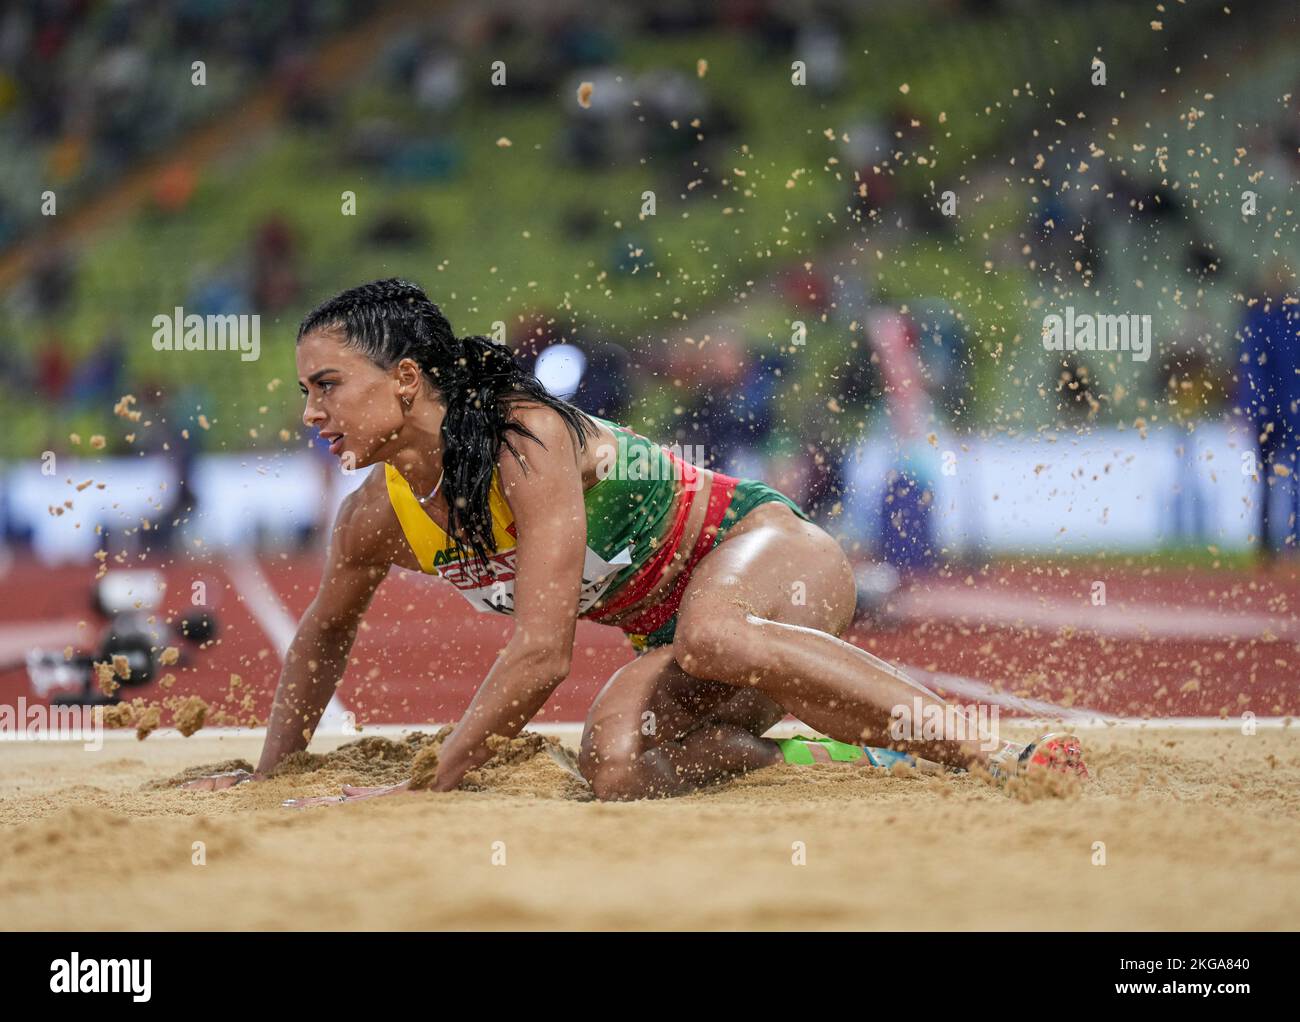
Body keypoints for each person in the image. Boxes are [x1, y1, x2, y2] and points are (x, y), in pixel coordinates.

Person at [183, 279, 1086, 803]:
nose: (311, 413)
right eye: (307, 392)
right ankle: (837, 747)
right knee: (615, 767)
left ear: (407, 380)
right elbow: (323, 636)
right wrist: (272, 772)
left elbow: (541, 654)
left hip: (776, 560)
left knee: (713, 633)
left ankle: (981, 747)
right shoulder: (375, 519)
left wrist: (429, 783)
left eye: (328, 386)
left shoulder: (522, 440)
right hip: (683, 642)